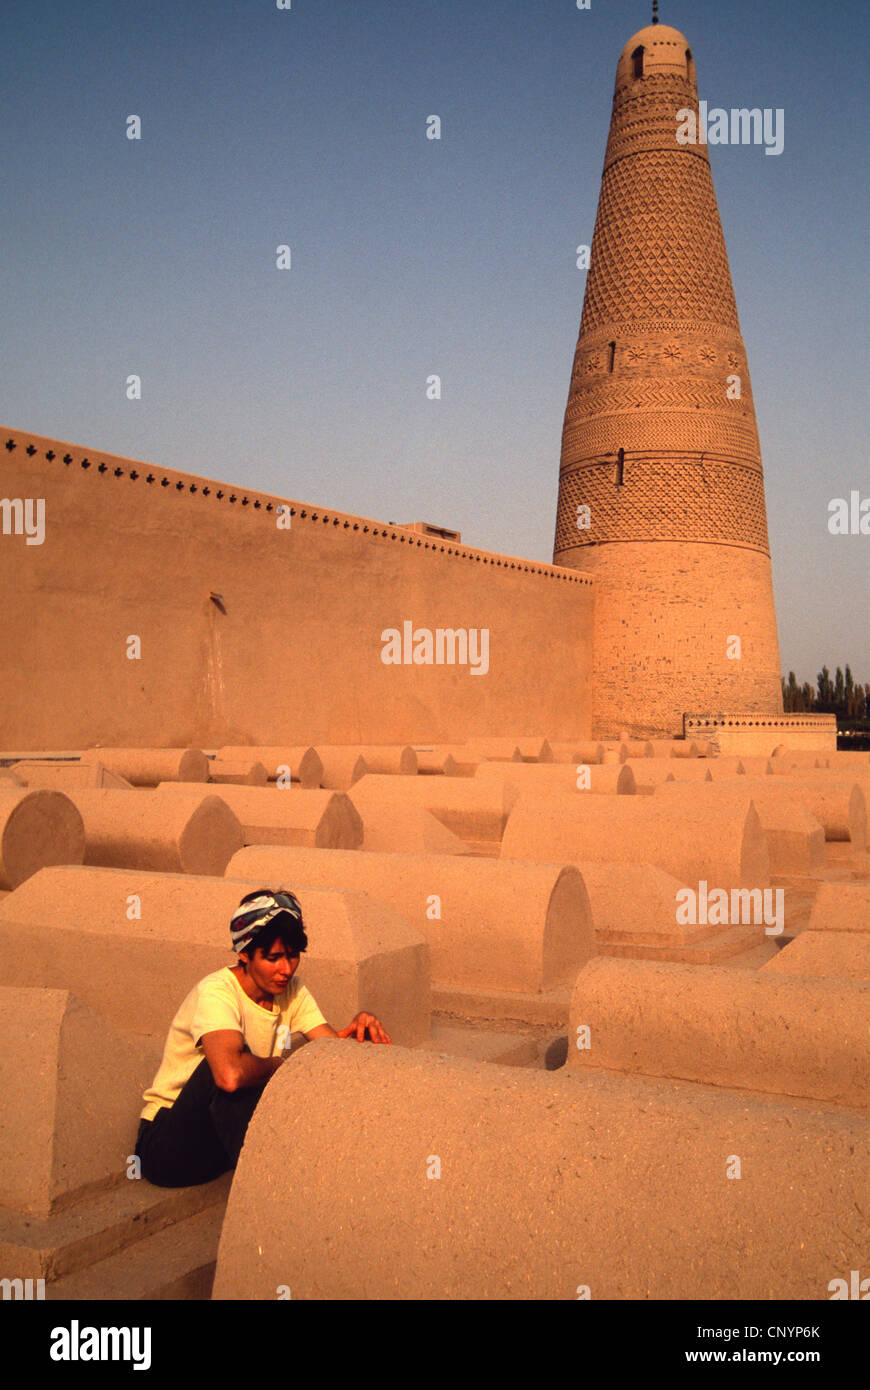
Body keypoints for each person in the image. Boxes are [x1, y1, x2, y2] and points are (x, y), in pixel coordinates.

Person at [135, 888, 391, 1187]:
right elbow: (229, 1077)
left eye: (293, 956)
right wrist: (278, 1066)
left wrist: (361, 1029)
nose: (286, 969)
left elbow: (330, 1052)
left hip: (216, 1148)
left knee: (292, 1079)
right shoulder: (216, 993)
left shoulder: (292, 991)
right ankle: (276, 1186)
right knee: (230, 1068)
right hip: (166, 1147)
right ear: (244, 954)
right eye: (273, 958)